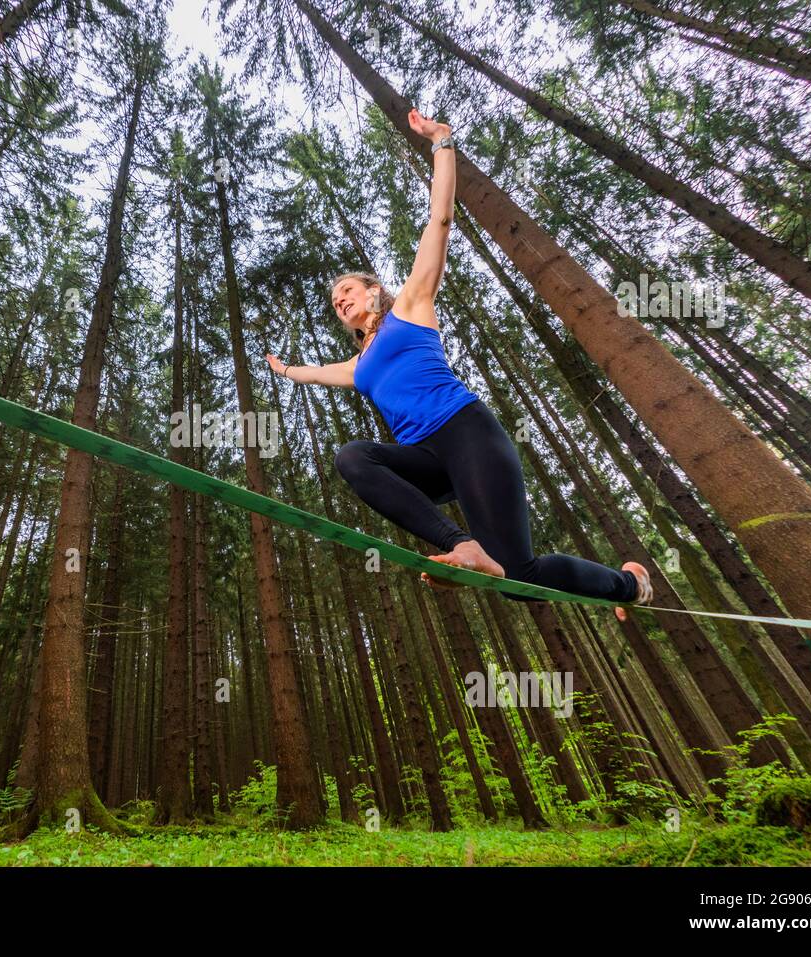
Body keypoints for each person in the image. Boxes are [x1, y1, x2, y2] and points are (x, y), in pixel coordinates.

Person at [265, 109, 652, 620]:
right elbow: (313, 374)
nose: (340, 300)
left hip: (467, 435)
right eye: (334, 301)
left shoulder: (410, 306)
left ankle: (629, 585)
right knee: (354, 457)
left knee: (520, 581)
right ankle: (462, 545)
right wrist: (284, 369)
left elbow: (439, 221)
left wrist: (442, 143)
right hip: (427, 459)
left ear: (373, 291)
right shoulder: (358, 366)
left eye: (347, 290)